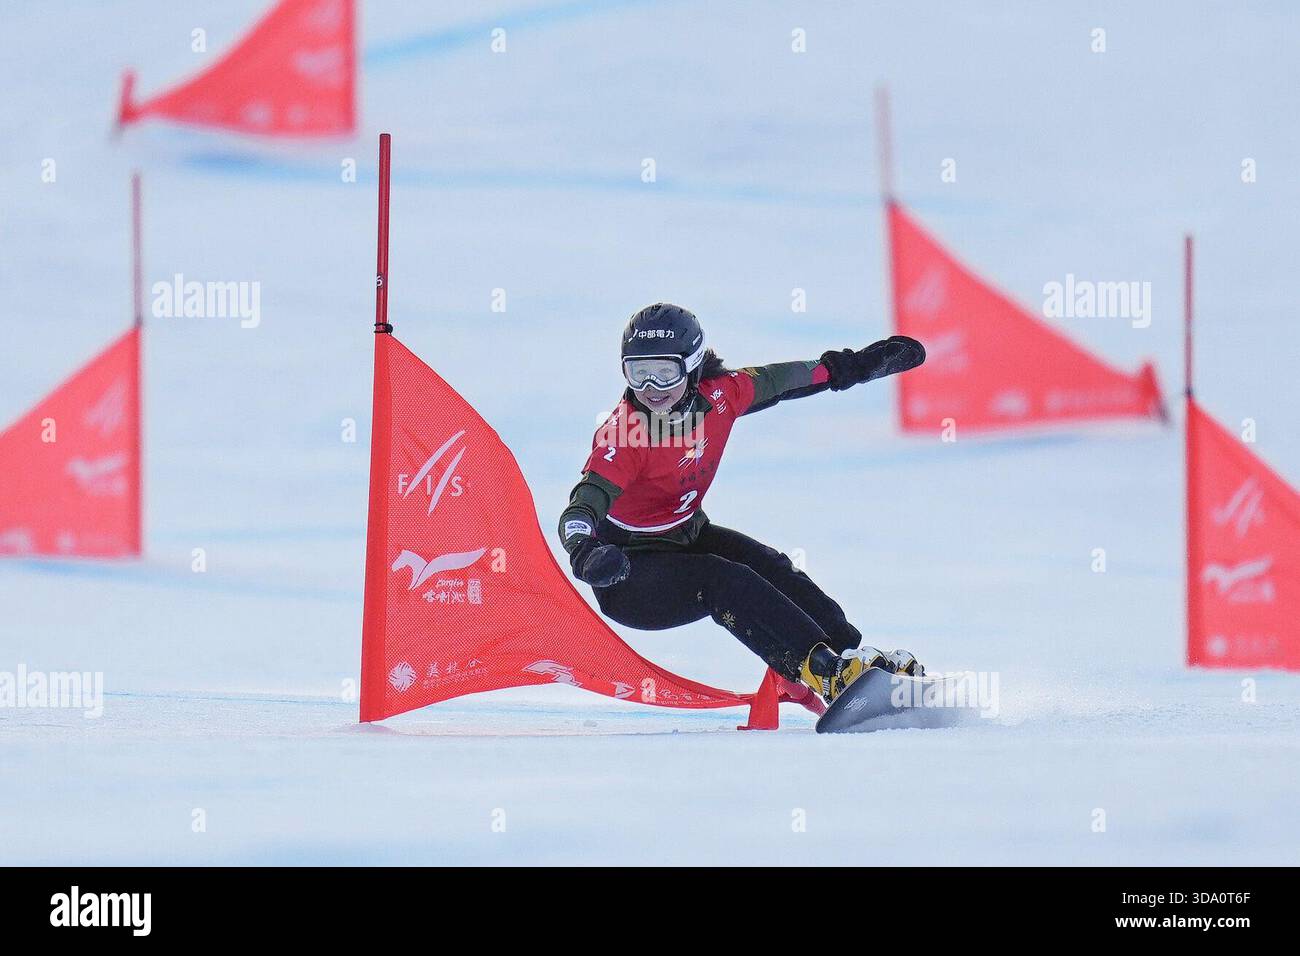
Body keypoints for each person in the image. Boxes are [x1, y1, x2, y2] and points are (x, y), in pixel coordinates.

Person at [557, 303, 927, 706]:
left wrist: (851, 367)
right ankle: (822, 671)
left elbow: (786, 380)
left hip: (685, 536)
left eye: (665, 372)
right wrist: (586, 551)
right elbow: (580, 510)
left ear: (694, 366)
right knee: (724, 579)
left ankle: (850, 658)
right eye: (638, 373)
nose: (651, 389)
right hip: (630, 574)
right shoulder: (624, 434)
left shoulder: (722, 395)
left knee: (771, 567)